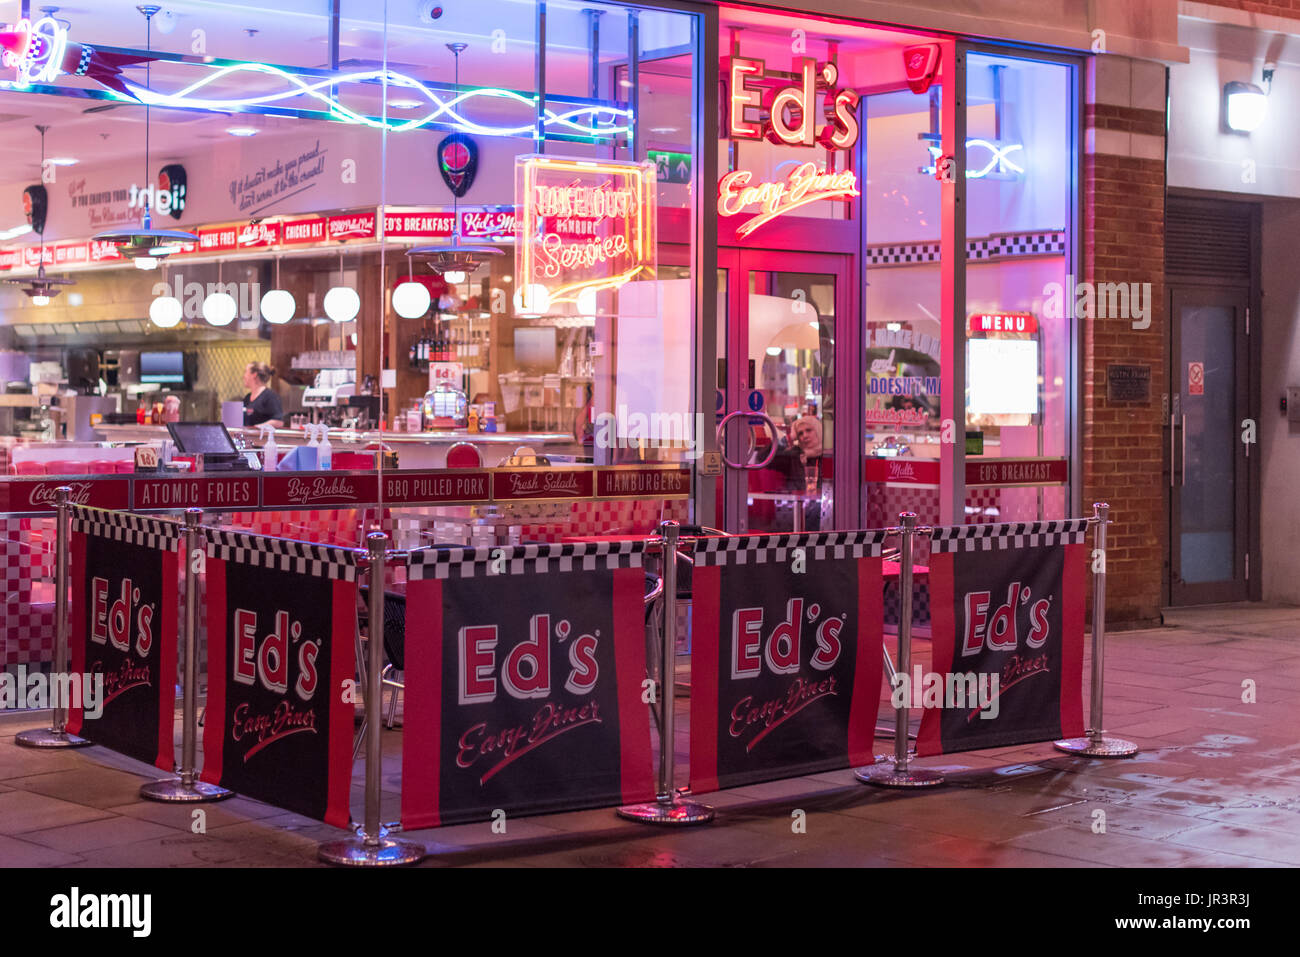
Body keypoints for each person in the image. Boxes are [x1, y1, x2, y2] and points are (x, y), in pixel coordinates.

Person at [241, 361, 284, 428]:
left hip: (262, 438)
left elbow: (278, 422)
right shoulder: (247, 397)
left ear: (254, 375)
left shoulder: (270, 396)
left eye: (246, 372)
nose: (243, 376)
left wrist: (255, 428)